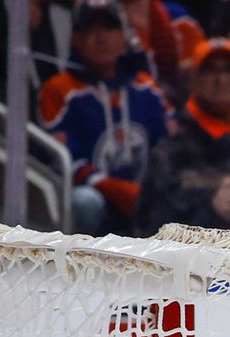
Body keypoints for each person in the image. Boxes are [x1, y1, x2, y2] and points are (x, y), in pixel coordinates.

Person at [39, 1, 174, 235]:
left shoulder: (146, 87)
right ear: (75, 38)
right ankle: (78, 264)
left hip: (141, 193)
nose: (100, 38)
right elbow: (56, 159)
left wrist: (151, 188)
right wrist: (107, 186)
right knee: (85, 201)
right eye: (89, 30)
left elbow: (168, 145)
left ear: (124, 36)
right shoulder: (59, 89)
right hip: (90, 193)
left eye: (109, 28)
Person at [134, 38, 230, 233]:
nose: (221, 80)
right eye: (210, 70)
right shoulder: (173, 144)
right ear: (193, 79)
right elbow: (150, 224)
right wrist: (211, 211)